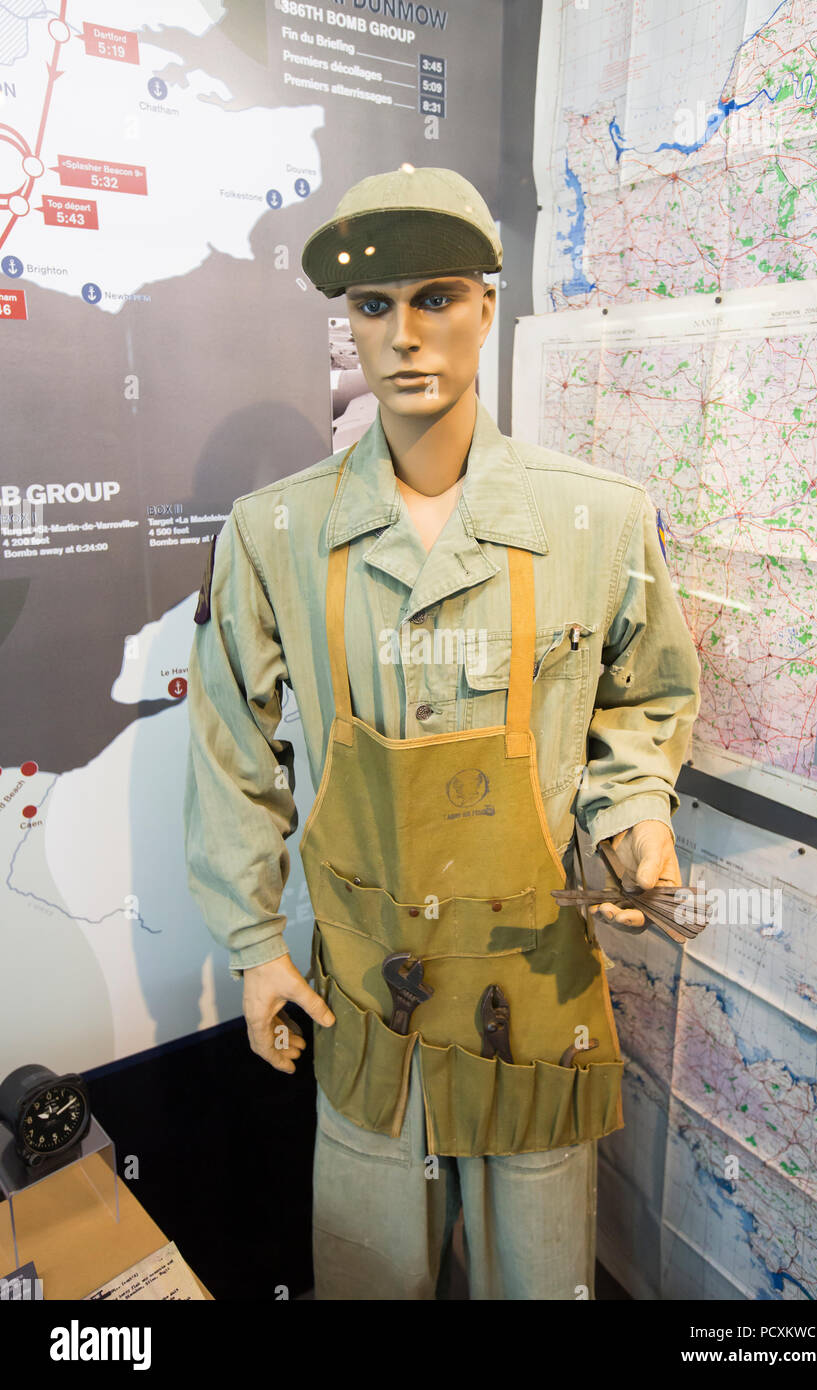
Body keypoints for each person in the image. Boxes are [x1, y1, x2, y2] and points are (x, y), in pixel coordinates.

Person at [183, 166, 701, 1300]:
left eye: (438, 297)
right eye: (374, 306)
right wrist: (255, 946)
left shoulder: (595, 518)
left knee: (539, 1279)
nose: (405, 334)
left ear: (487, 307)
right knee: (371, 1279)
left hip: (535, 997)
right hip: (368, 1001)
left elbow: (641, 697)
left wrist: (634, 812)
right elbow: (229, 749)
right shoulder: (275, 532)